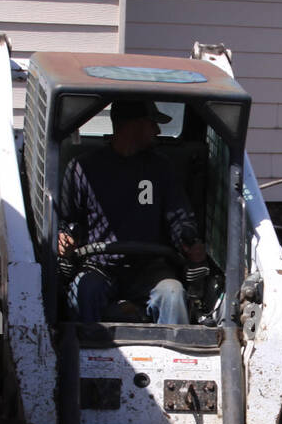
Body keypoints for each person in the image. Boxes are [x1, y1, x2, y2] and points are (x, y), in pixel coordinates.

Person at [56, 99, 206, 324]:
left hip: (149, 268)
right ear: (133, 125)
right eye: (152, 123)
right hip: (99, 266)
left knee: (172, 293)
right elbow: (67, 220)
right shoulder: (83, 168)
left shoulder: (161, 168)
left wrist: (189, 241)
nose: (157, 130)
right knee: (85, 291)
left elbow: (179, 217)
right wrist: (64, 238)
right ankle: (80, 355)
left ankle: (175, 356)